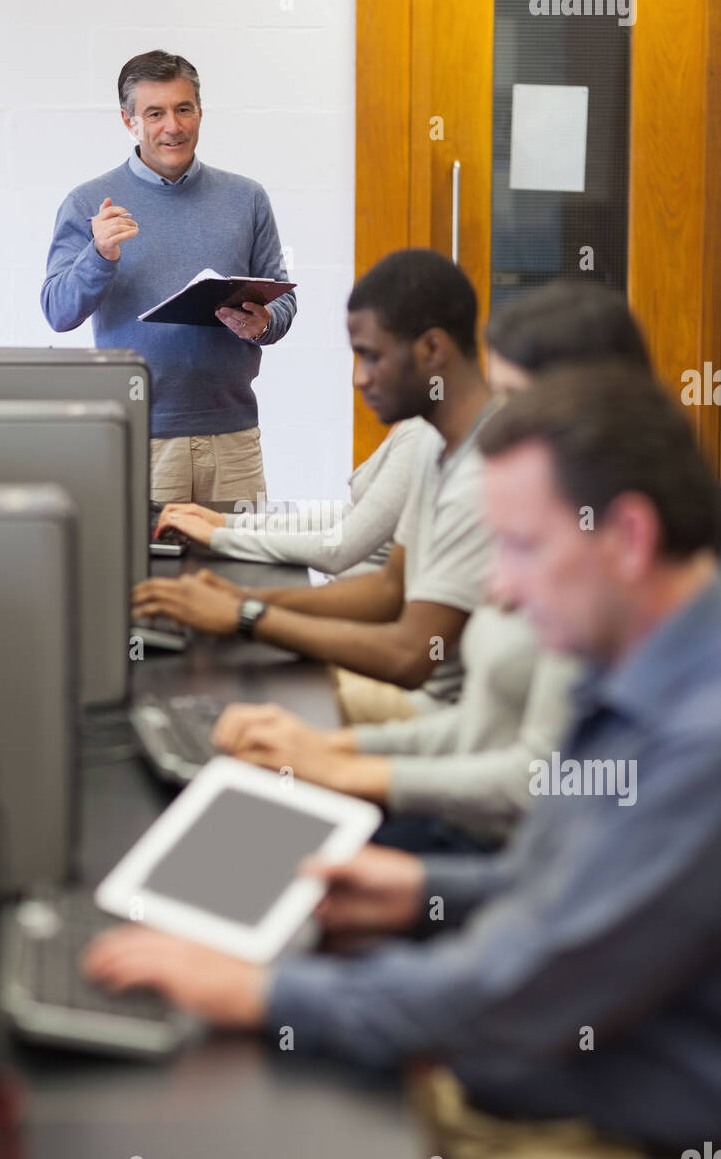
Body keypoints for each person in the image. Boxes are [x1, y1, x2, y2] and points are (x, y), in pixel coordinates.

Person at [84, 367, 721, 1159]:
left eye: (522, 547)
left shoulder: (698, 742)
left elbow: (519, 983)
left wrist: (268, 994)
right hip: (539, 1074)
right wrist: (421, 891)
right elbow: (572, 884)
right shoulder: (628, 666)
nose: (502, 589)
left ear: (627, 539)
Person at [208, 279, 653, 851]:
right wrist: (332, 753)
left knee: (264, 845)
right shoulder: (509, 495)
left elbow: (531, 782)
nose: (500, 424)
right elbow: (475, 728)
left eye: (516, 401)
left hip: (493, 841)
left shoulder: (602, 557)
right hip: (470, 810)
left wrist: (248, 614)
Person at [133, 248, 497, 724]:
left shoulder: (480, 470)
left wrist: (245, 615)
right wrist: (240, 599)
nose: (358, 378)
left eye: (371, 357)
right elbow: (387, 590)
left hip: (428, 711)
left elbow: (409, 657)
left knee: (208, 703)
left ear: (431, 350)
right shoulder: (436, 444)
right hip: (404, 686)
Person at [40, 49, 296, 503]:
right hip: (141, 440)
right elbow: (58, 312)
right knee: (145, 572)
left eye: (183, 109)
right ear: (128, 121)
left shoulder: (247, 198)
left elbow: (282, 296)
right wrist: (99, 254)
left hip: (233, 437)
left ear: (200, 112)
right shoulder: (89, 203)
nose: (172, 127)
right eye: (154, 113)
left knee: (237, 571)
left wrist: (265, 322)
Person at [152, 417, 434, 578]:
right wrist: (226, 523)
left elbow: (337, 549)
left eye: (375, 356)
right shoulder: (415, 427)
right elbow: (348, 519)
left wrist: (219, 537)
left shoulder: (424, 436)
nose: (360, 378)